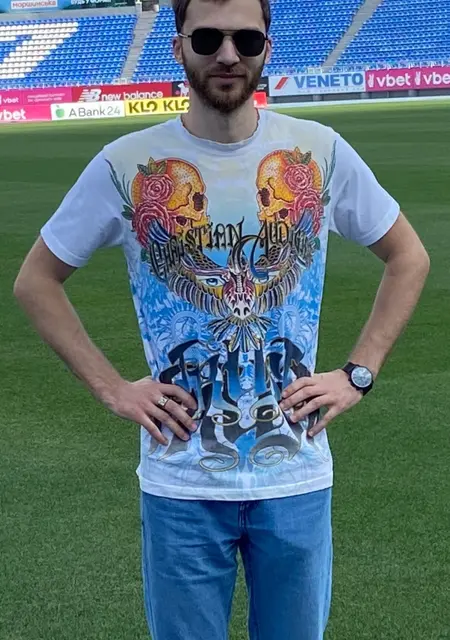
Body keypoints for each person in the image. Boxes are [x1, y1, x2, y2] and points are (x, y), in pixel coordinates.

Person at [13, 0, 430, 638]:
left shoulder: (318, 152)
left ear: (267, 47)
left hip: (295, 472)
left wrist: (358, 373)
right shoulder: (127, 165)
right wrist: (113, 389)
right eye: (207, 38)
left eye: (246, 39)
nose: (228, 54)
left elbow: (409, 256)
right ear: (178, 46)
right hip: (181, 480)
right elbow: (36, 280)